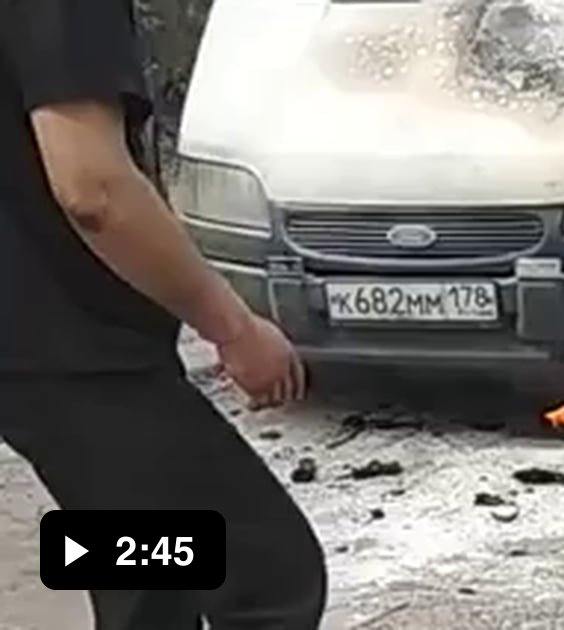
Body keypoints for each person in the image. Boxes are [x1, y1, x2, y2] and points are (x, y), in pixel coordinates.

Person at [0, 1, 327, 628]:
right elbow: (94, 191)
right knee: (267, 577)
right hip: (69, 351)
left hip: (38, 351)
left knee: (150, 584)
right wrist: (232, 329)